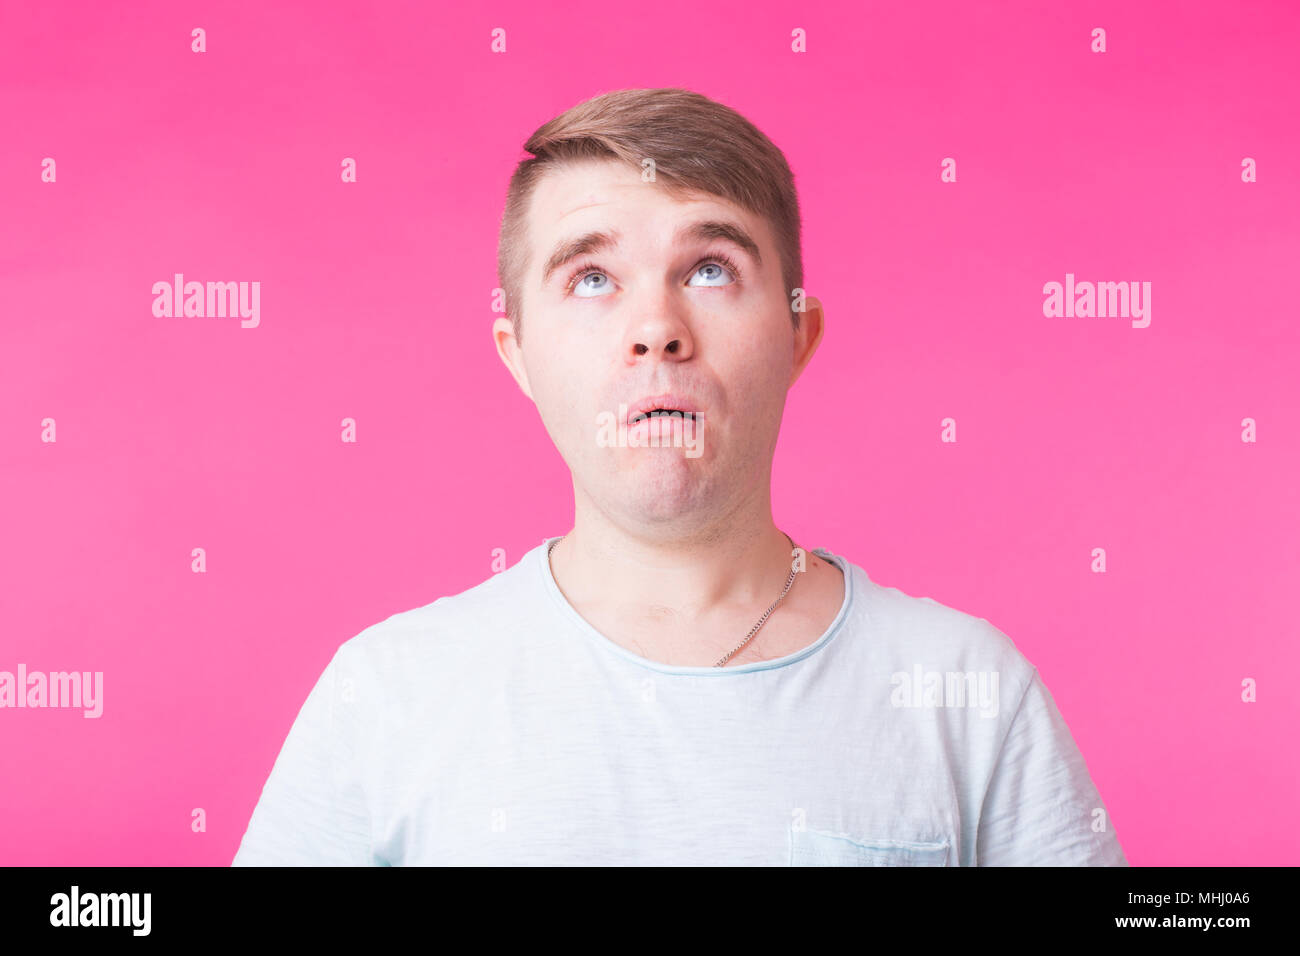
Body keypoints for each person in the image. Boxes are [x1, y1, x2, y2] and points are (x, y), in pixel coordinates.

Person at [232, 87, 1127, 866]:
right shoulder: (387, 695)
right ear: (520, 355)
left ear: (796, 336)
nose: (654, 328)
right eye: (591, 278)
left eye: (709, 270)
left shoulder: (967, 690)